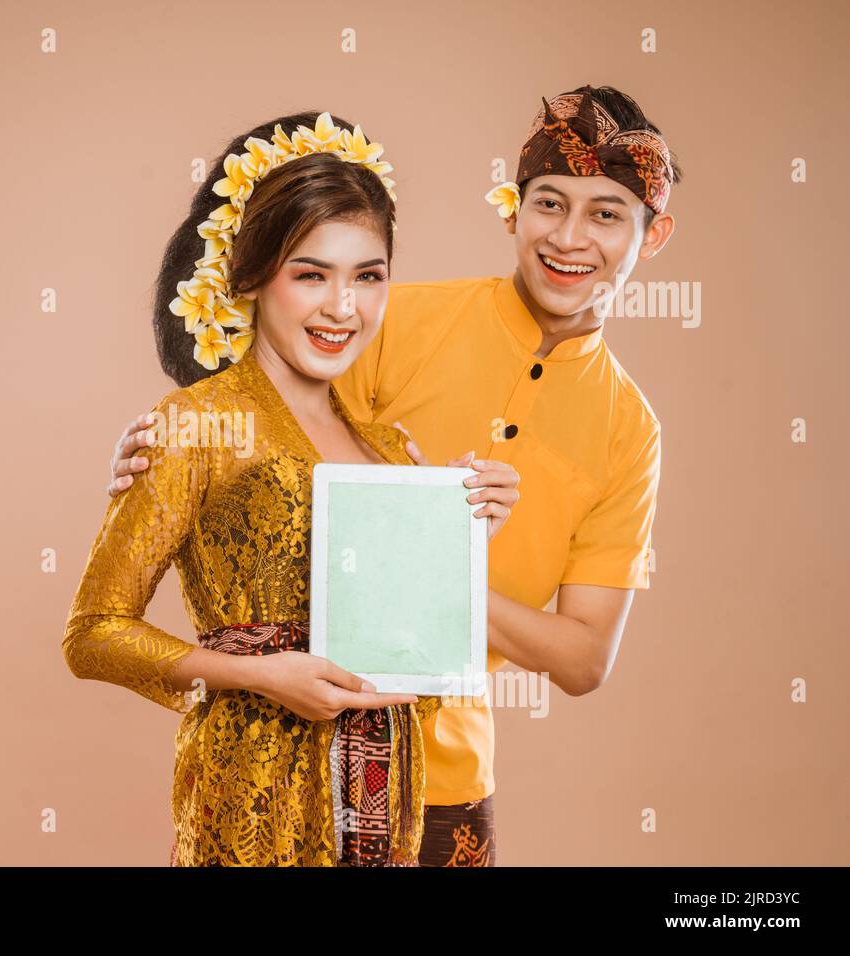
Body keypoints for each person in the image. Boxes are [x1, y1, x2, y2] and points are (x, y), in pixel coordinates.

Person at [106, 86, 679, 866]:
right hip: (287, 757)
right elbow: (256, 445)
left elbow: (582, 659)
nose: (570, 238)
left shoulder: (629, 429)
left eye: (607, 214)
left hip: (447, 783)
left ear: (653, 237)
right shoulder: (381, 318)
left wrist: (445, 571)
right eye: (550, 203)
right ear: (513, 208)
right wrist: (165, 450)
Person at [62, 111, 521, 866]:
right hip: (254, 795)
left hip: (386, 805)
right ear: (249, 275)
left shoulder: (390, 447)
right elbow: (93, 635)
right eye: (311, 274)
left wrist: (463, 536)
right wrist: (257, 677)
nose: (344, 308)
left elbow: (418, 665)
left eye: (367, 276)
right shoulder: (195, 426)